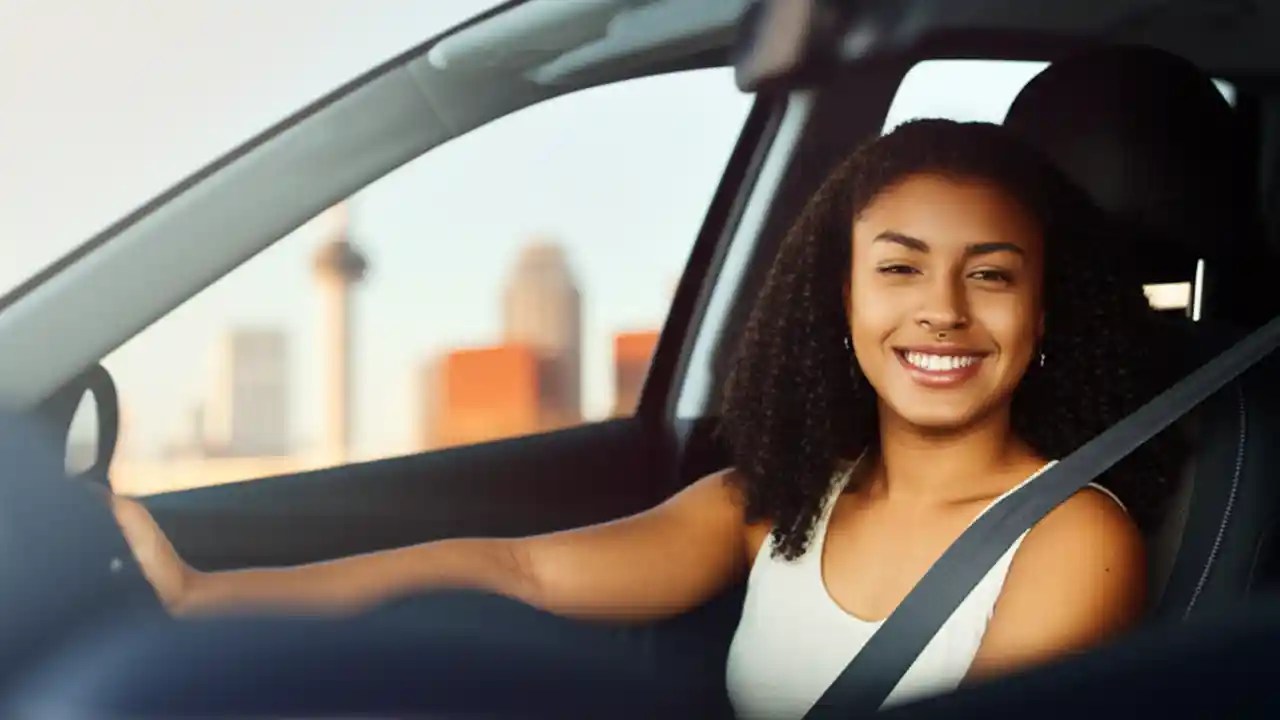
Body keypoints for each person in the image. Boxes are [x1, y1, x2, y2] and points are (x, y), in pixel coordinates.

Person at [110, 119, 1180, 717]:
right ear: (840, 303)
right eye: (898, 270)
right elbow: (509, 572)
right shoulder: (773, 508)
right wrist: (208, 598)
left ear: (1043, 318)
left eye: (989, 277)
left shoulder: (1071, 540)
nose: (940, 309)